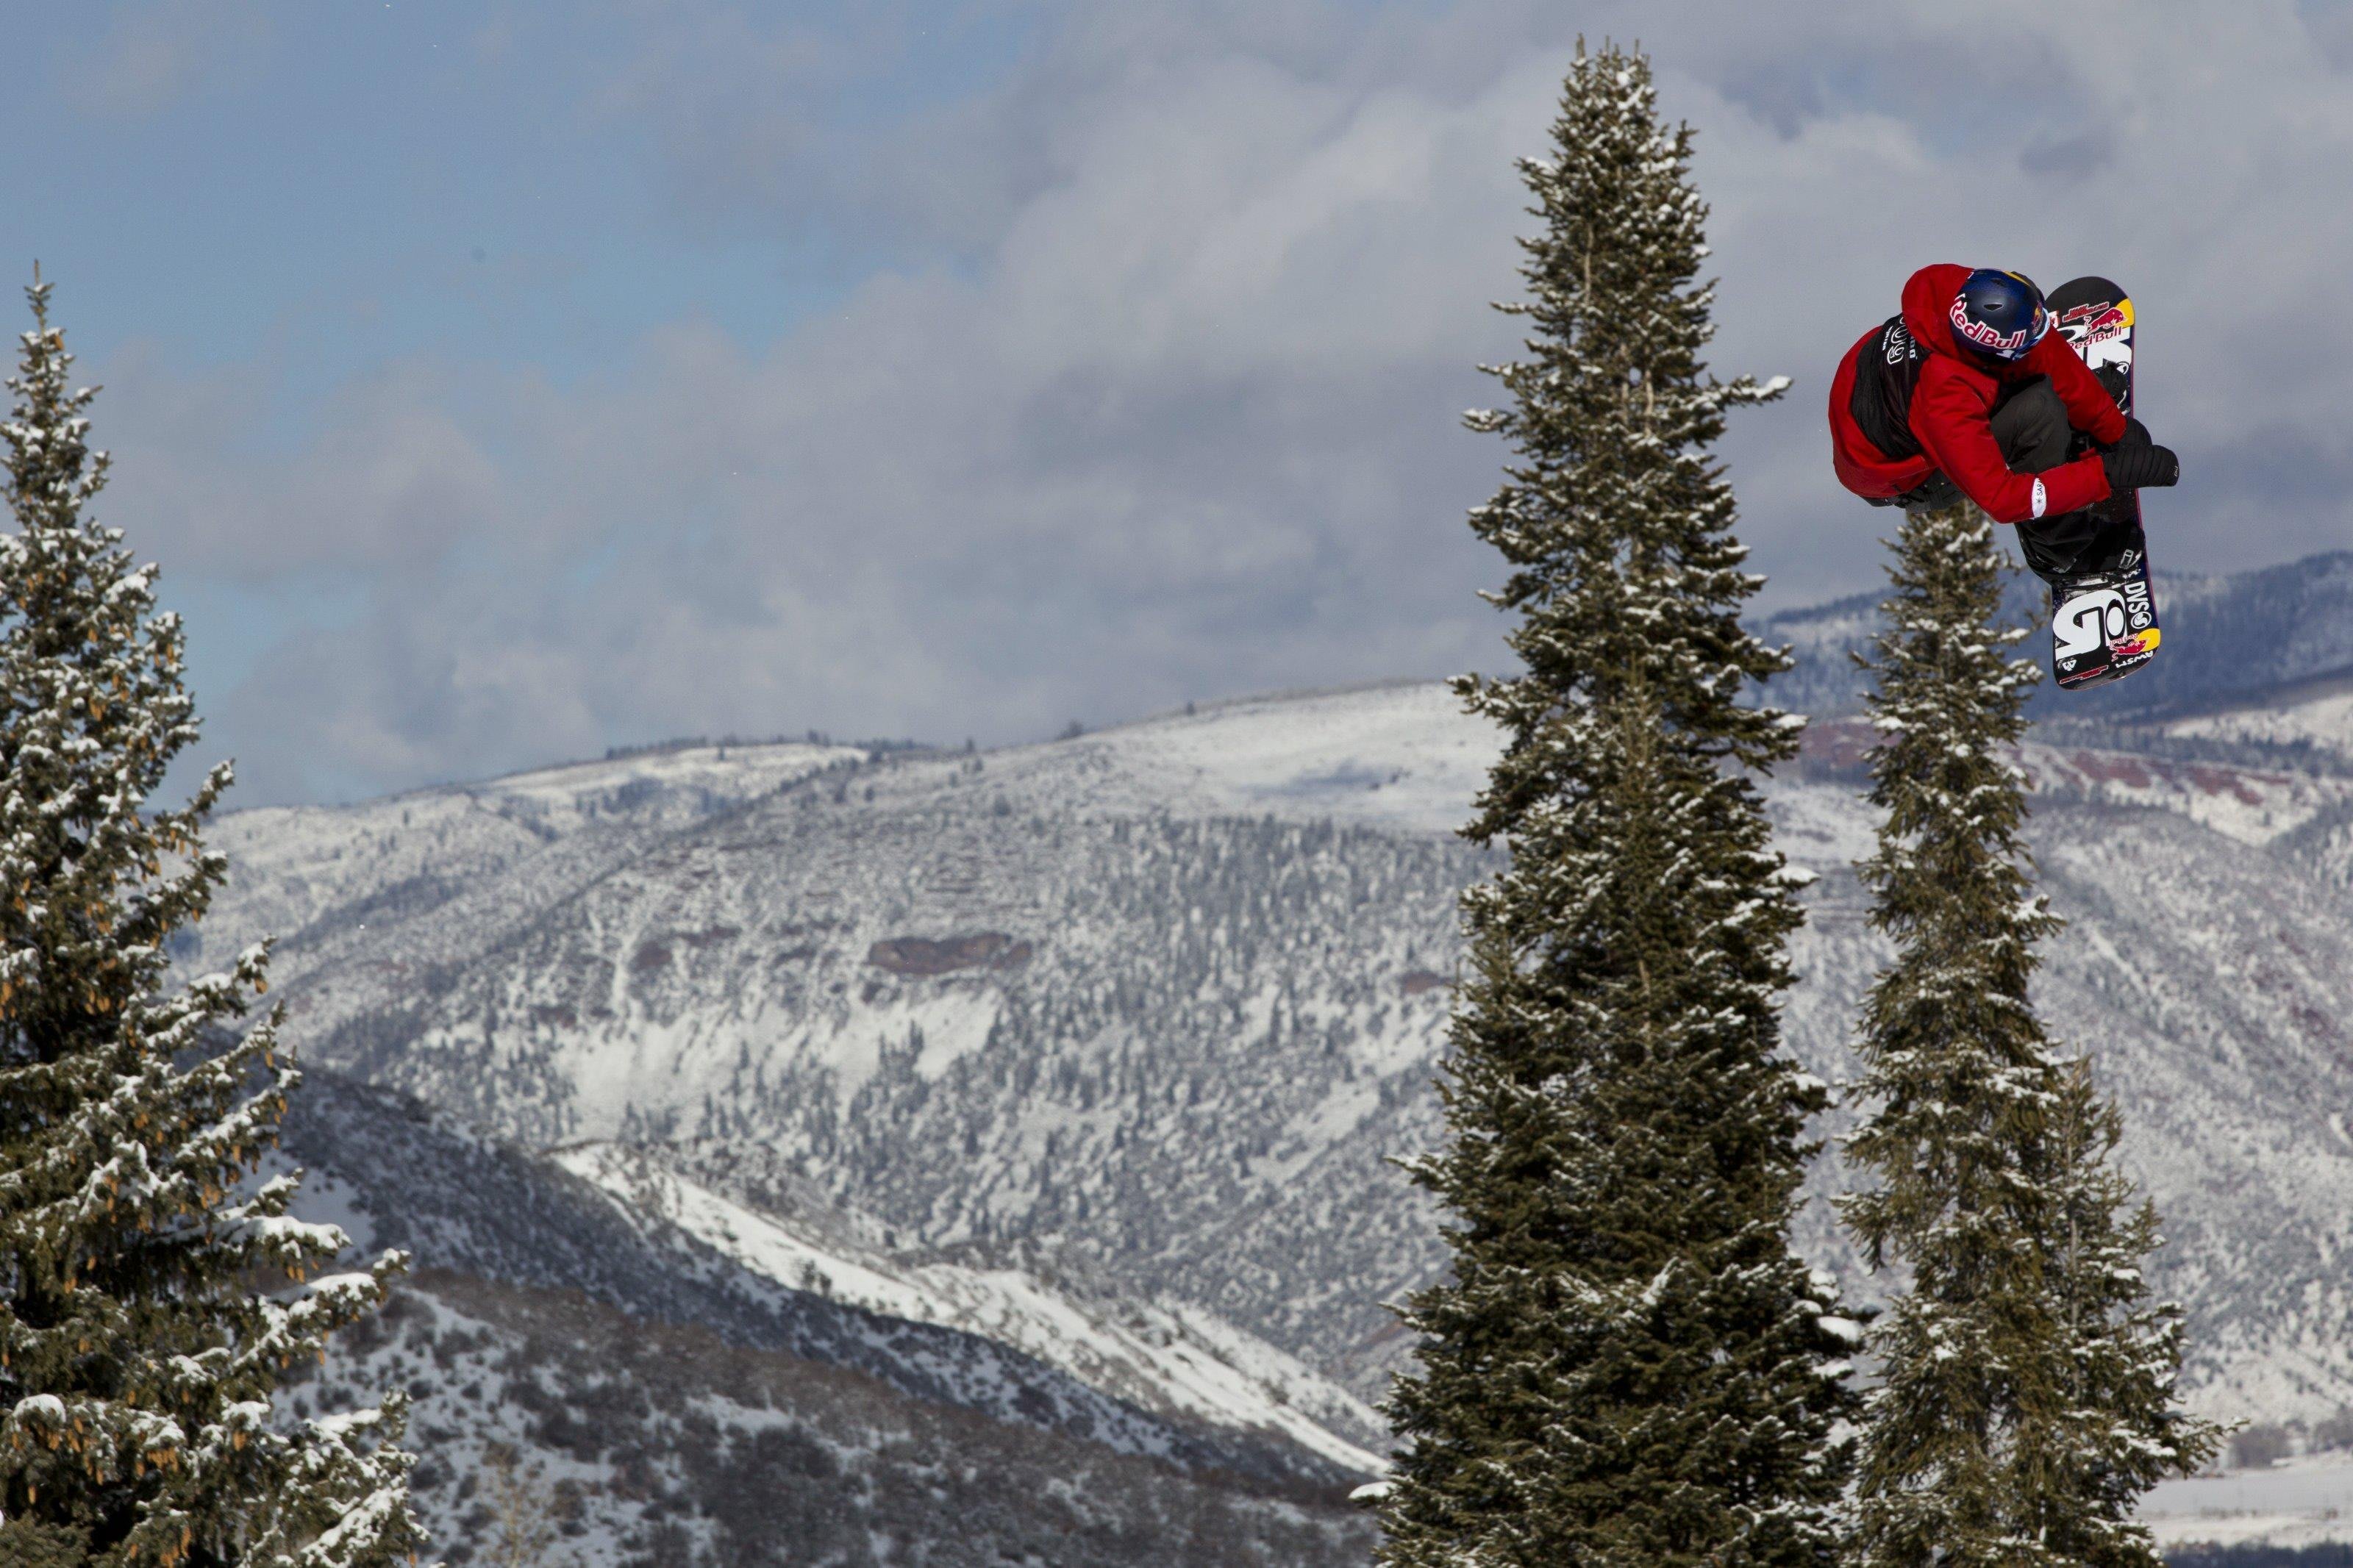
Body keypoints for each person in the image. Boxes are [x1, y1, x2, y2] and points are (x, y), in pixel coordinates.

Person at [1827, 265, 2179, 584]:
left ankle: (2059, 434)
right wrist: (2106, 474)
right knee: (2038, 413)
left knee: (2035, 377)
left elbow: (2045, 350)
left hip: (1881, 400)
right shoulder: (1945, 403)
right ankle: (2062, 552)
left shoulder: (1952, 288)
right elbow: (2004, 499)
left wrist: (2112, 428)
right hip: (1905, 477)